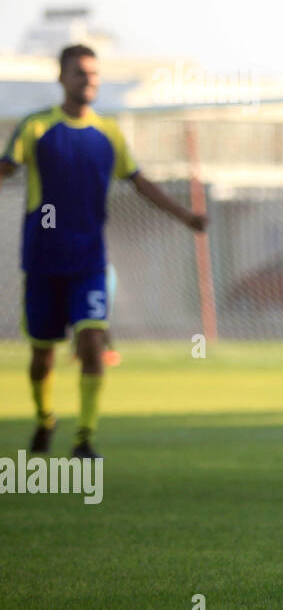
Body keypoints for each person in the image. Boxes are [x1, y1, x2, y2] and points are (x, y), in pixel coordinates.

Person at [0, 44, 207, 458]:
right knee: (42, 355)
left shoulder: (108, 132)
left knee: (93, 340)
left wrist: (185, 215)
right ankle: (45, 421)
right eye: (79, 72)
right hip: (42, 260)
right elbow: (6, 169)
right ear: (62, 78)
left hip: (89, 260)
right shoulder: (37, 128)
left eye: (93, 73)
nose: (88, 80)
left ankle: (84, 437)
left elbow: (140, 181)